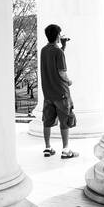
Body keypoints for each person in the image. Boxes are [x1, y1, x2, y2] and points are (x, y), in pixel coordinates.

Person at [39, 23, 77, 158]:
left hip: (48, 93)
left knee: (47, 121)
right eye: (60, 34)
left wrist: (63, 47)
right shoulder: (58, 52)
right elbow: (61, 72)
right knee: (65, 120)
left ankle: (47, 148)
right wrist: (69, 81)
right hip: (61, 93)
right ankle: (66, 150)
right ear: (57, 36)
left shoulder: (44, 50)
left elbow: (53, 60)